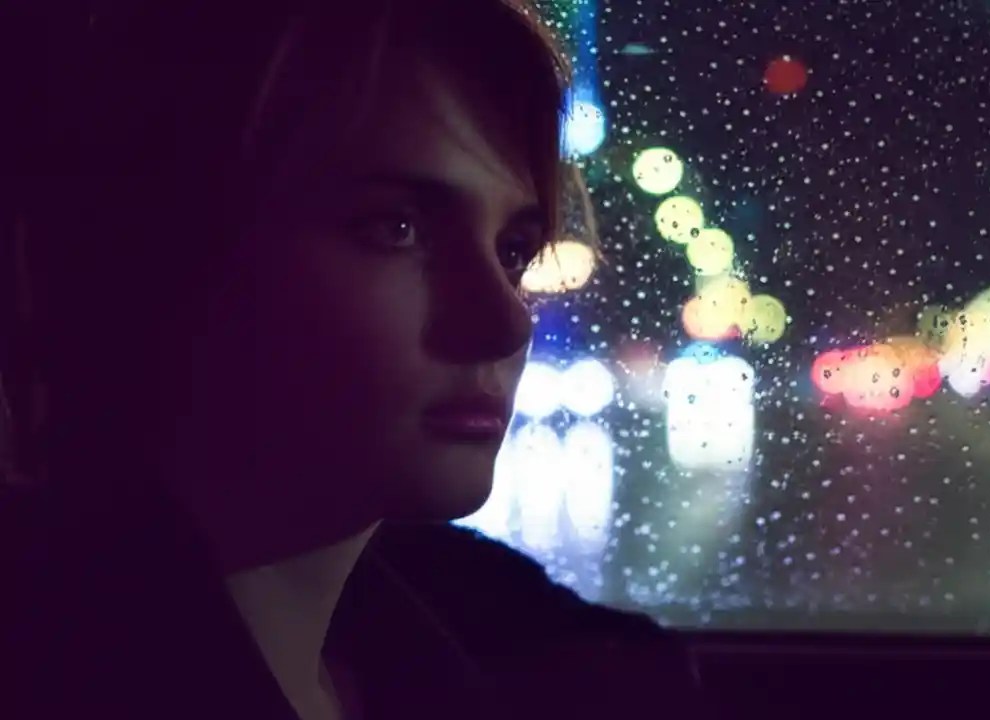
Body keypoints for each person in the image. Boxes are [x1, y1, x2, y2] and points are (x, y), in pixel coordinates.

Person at [0, 2, 704, 718]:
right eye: (395, 228)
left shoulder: (519, 652)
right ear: (159, 252)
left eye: (513, 252)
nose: (504, 323)